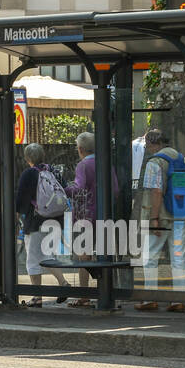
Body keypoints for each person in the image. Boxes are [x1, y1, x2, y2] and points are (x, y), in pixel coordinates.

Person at [133, 129, 185, 312]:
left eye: (147, 145)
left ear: (152, 144)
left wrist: (154, 218)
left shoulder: (155, 162)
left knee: (150, 257)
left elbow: (156, 192)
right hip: (181, 215)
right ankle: (179, 300)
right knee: (179, 257)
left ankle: (150, 298)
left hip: (161, 217)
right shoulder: (181, 158)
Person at [65, 131, 119, 306]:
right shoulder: (106, 164)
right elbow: (115, 190)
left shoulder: (83, 165)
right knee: (103, 254)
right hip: (103, 215)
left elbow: (78, 188)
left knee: (83, 255)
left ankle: (84, 295)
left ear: (80, 149)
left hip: (85, 216)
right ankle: (106, 293)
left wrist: (66, 189)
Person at [14, 142, 68, 306]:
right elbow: (64, 189)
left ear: (28, 158)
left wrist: (16, 218)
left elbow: (21, 199)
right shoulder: (53, 171)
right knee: (47, 255)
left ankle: (37, 297)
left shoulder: (29, 173)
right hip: (55, 220)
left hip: (36, 221)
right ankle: (63, 283)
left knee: (32, 259)